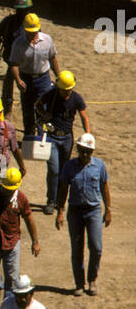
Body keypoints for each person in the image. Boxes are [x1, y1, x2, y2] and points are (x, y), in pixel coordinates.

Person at [55, 133, 111, 297]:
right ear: (78, 149)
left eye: (88, 151)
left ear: (92, 152)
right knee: (77, 249)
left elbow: (105, 187)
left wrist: (108, 209)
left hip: (93, 210)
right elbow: (63, 189)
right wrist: (60, 211)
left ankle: (92, 279)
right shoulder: (69, 166)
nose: (85, 154)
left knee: (96, 247)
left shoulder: (99, 166)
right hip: (75, 211)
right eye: (82, 150)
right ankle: (79, 283)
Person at [0, 166, 40, 302]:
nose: (8, 191)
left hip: (12, 243)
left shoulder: (21, 199)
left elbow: (29, 219)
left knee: (12, 278)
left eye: (11, 189)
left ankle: (7, 307)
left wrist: (35, 241)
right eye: (6, 188)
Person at [35, 70, 90, 215]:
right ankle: (51, 201)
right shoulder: (51, 95)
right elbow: (38, 104)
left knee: (64, 172)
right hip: (52, 137)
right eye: (63, 90)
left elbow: (84, 117)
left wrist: (88, 135)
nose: (65, 93)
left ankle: (60, 202)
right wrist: (44, 114)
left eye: (67, 91)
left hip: (67, 138)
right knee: (53, 170)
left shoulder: (76, 99)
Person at [7, 11, 60, 139]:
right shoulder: (18, 44)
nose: (31, 34)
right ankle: (29, 137)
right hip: (26, 78)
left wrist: (58, 75)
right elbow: (13, 63)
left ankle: (42, 138)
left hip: (43, 78)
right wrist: (18, 80)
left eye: (34, 31)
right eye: (29, 31)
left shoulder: (47, 40)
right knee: (28, 109)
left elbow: (52, 58)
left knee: (43, 108)